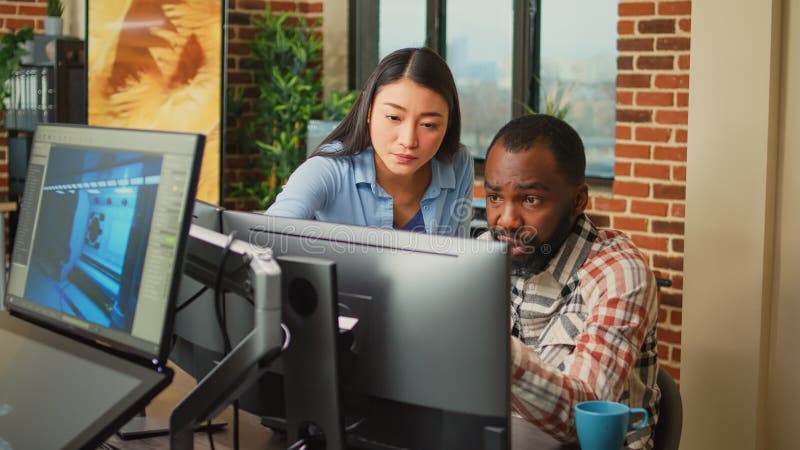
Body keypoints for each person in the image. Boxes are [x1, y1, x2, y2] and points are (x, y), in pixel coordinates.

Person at [481, 114, 660, 449]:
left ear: (578, 200)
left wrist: (486, 347)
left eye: (530, 199)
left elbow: (585, 417)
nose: (506, 219)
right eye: (494, 198)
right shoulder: (483, 257)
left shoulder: (619, 273)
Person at [265, 47, 474, 237]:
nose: (408, 141)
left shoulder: (458, 164)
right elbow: (266, 237)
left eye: (428, 125)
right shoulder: (328, 168)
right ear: (369, 109)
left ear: (448, 123)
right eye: (393, 117)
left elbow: (459, 256)